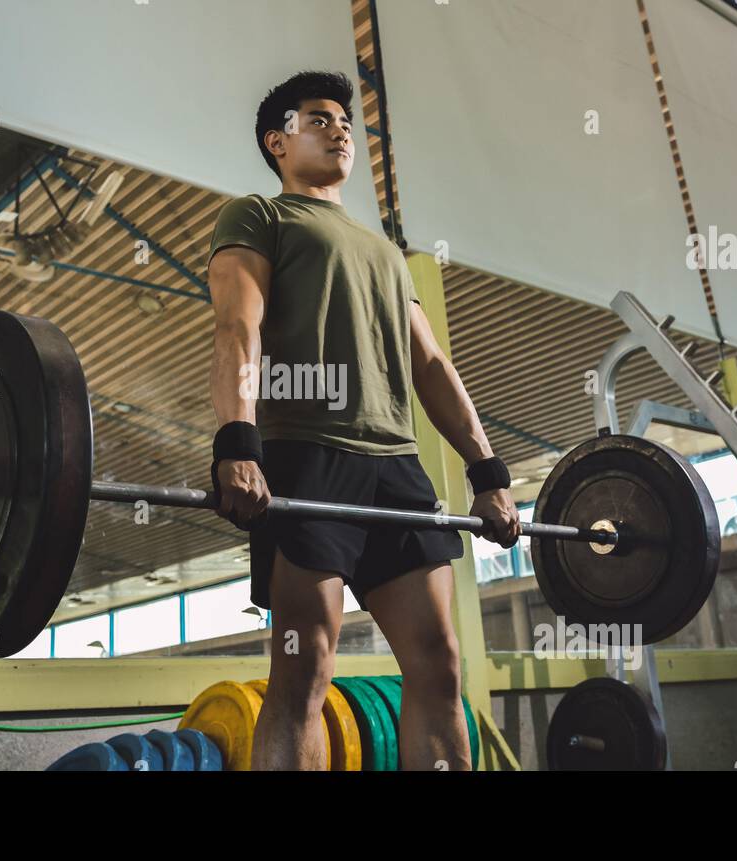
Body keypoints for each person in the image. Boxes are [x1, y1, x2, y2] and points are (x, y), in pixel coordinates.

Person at [206, 70, 519, 770]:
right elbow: (238, 325)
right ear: (277, 141)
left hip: (395, 467)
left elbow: (431, 365)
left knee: (439, 666)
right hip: (305, 458)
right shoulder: (261, 216)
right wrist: (236, 439)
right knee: (305, 670)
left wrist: (488, 471)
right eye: (317, 118)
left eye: (346, 121)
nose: (341, 128)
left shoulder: (384, 252)